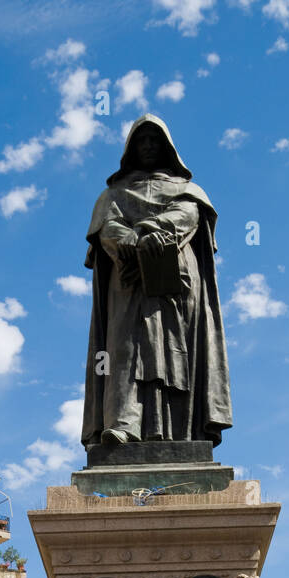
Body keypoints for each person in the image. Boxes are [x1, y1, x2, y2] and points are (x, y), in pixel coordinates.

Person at [82, 115, 231, 451]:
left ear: (167, 148)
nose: (148, 146)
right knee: (124, 348)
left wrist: (151, 232)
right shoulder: (113, 195)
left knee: (175, 352)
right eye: (141, 141)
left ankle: (182, 430)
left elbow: (188, 216)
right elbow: (106, 229)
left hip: (175, 281)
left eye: (154, 140)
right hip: (128, 277)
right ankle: (123, 423)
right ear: (131, 149)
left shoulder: (188, 190)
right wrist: (133, 242)